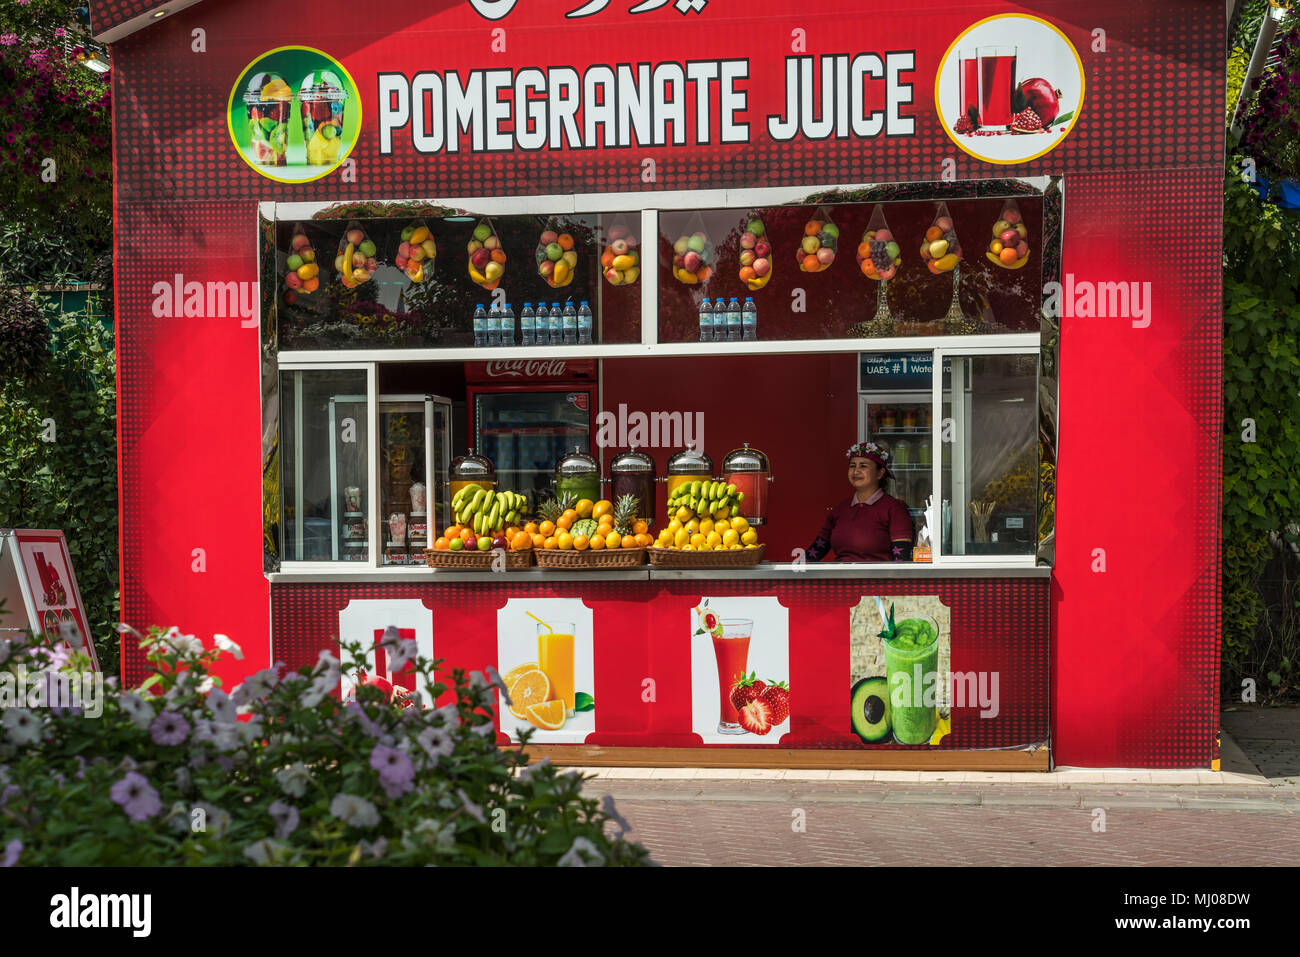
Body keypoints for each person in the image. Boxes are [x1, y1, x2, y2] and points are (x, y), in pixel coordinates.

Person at [806, 442, 914, 562]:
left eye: (863, 466)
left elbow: (902, 560)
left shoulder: (894, 509)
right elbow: (814, 552)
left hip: (879, 579)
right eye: (852, 466)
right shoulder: (840, 510)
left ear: (880, 473)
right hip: (842, 579)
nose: (856, 471)